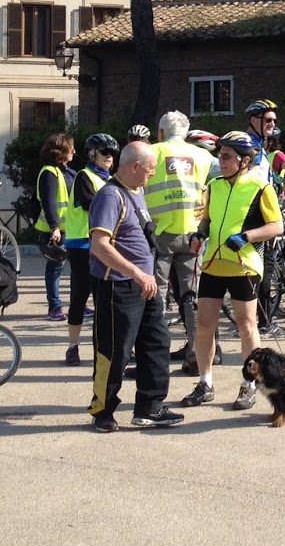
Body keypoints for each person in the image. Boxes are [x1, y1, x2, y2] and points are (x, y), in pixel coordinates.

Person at [179, 131, 284, 410]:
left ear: (244, 161)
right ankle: (205, 382)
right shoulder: (214, 185)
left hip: (243, 266)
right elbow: (207, 220)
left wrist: (247, 237)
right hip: (214, 262)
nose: (220, 160)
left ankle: (249, 384)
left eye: (226, 156)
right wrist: (198, 234)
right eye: (220, 155)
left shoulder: (261, 187)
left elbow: (277, 226)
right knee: (204, 325)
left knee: (246, 325)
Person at [87, 140, 183, 432]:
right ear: (135, 166)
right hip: (119, 286)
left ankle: (150, 408)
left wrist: (147, 275)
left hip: (145, 284)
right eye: (151, 168)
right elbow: (99, 245)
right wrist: (136, 274)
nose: (153, 173)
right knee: (114, 350)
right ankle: (102, 410)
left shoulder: (136, 191)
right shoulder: (109, 196)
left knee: (156, 343)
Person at [145, 110, 214, 364]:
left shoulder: (152, 152)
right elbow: (222, 182)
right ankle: (196, 353)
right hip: (193, 234)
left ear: (161, 132)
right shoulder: (203, 156)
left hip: (160, 233)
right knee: (191, 297)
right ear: (185, 133)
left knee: (156, 294)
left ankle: (156, 352)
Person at [61, 133, 114, 367]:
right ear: (93, 154)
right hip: (82, 244)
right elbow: (92, 204)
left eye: (113, 153)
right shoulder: (85, 176)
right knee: (80, 295)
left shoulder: (109, 179)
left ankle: (102, 348)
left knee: (102, 297)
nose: (110, 157)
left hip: (102, 244)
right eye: (105, 153)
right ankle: (73, 347)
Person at [35, 132, 76, 321]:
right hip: (56, 230)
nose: (74, 152)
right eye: (70, 149)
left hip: (70, 228)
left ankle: (78, 305)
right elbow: (48, 202)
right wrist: (54, 227)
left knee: (77, 267)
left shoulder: (65, 170)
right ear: (60, 152)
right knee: (55, 267)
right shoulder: (49, 173)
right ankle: (54, 307)